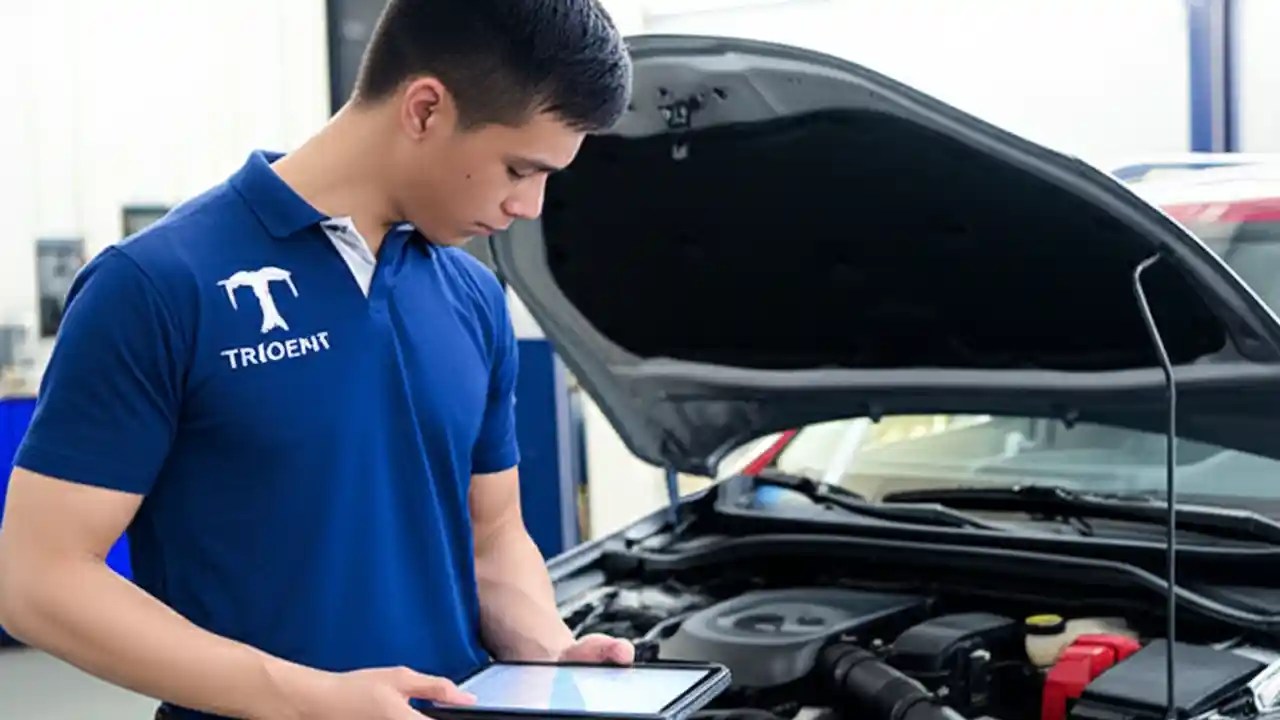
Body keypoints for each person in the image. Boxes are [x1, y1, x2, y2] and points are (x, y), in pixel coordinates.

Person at [0, 1, 634, 718]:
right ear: (425, 109)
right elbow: (38, 582)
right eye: (521, 168)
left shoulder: (474, 297)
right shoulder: (155, 287)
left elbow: (492, 537)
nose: (531, 205)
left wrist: (549, 651)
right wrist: (312, 701)